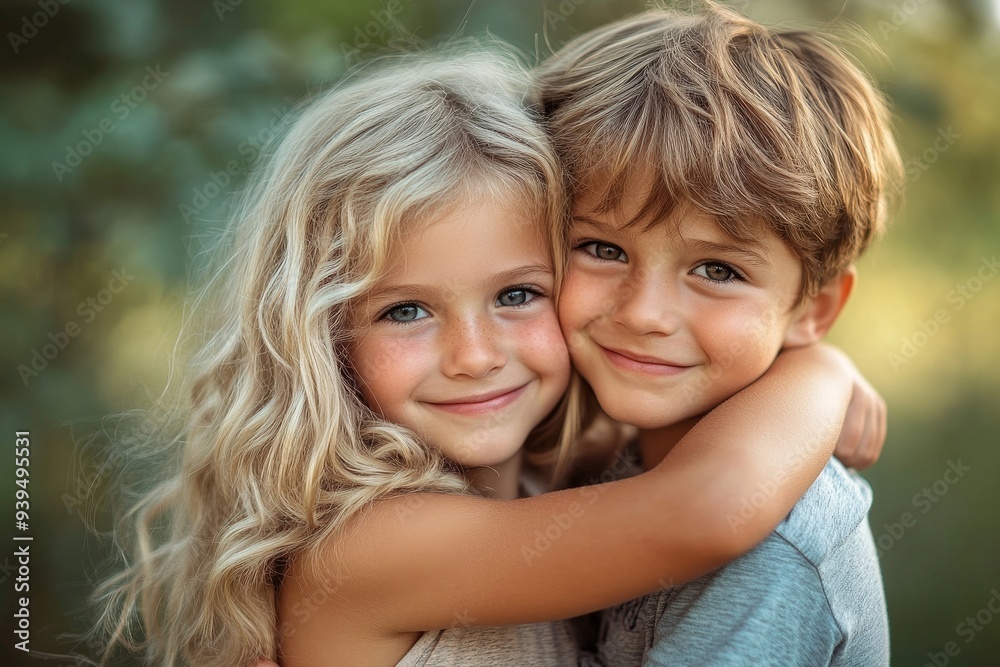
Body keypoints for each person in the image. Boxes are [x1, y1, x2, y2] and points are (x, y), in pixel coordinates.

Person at [92, 44, 883, 667]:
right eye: (404, 309)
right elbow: (705, 509)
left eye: (516, 295)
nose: (474, 357)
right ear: (323, 333)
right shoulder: (370, 546)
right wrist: (816, 371)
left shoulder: (562, 480)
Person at [534, 2, 902, 664]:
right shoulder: (611, 453)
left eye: (716, 269)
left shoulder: (776, 552)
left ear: (812, 310)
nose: (645, 313)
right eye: (603, 248)